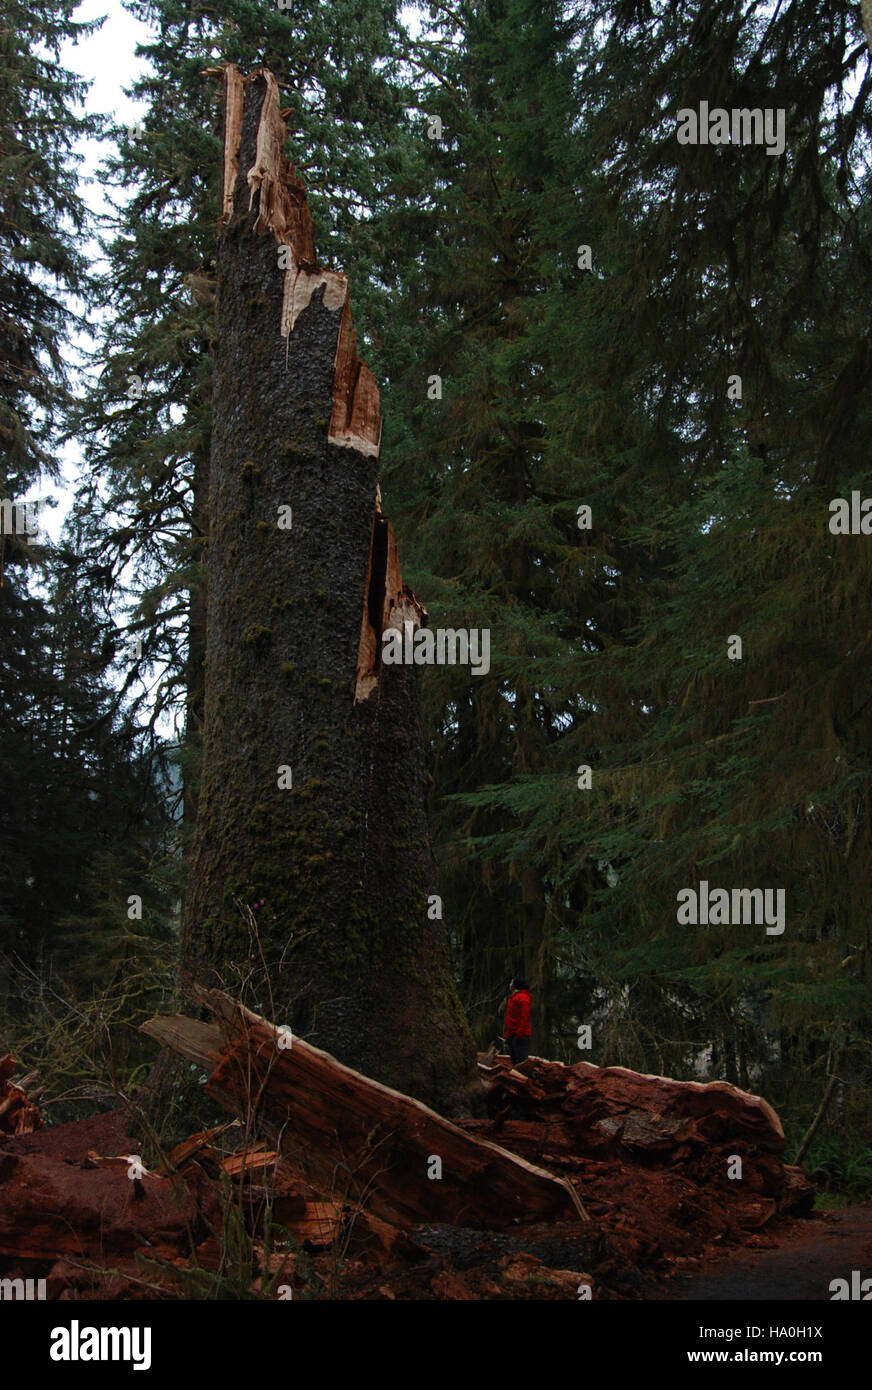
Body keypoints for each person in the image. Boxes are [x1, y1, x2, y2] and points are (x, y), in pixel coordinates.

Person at [504, 977, 531, 1066]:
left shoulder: (523, 997)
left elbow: (524, 1017)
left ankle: (529, 1078)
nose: (510, 984)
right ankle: (517, 1078)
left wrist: (519, 1033)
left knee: (522, 1061)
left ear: (516, 985)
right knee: (515, 1060)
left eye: (511, 983)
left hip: (520, 1035)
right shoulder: (515, 997)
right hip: (512, 1034)